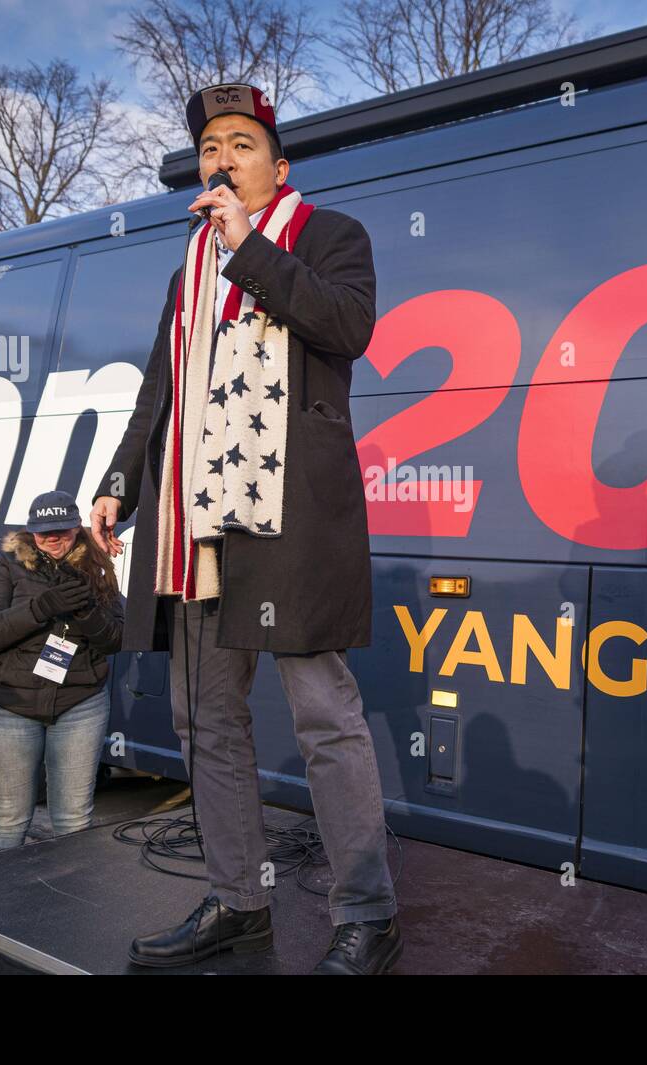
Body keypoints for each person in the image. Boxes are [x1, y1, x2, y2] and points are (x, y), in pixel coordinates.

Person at [89, 82, 400, 974]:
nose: (221, 159)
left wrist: (248, 247)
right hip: (194, 518)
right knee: (206, 720)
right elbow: (160, 388)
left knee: (323, 716)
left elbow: (348, 326)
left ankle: (368, 915)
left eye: (241, 144)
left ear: (279, 166)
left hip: (287, 514)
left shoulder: (328, 235)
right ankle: (238, 902)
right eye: (209, 147)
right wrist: (118, 485)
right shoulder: (188, 263)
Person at [0, 491, 123, 851]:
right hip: (7, 702)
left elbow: (115, 640)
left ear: (77, 527)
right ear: (31, 531)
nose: (53, 539)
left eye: (62, 531)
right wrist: (40, 608)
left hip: (79, 704)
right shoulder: (8, 564)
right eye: (43, 533)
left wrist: (87, 614)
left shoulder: (99, 564)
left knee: (73, 821)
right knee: (9, 818)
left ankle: (71, 890)